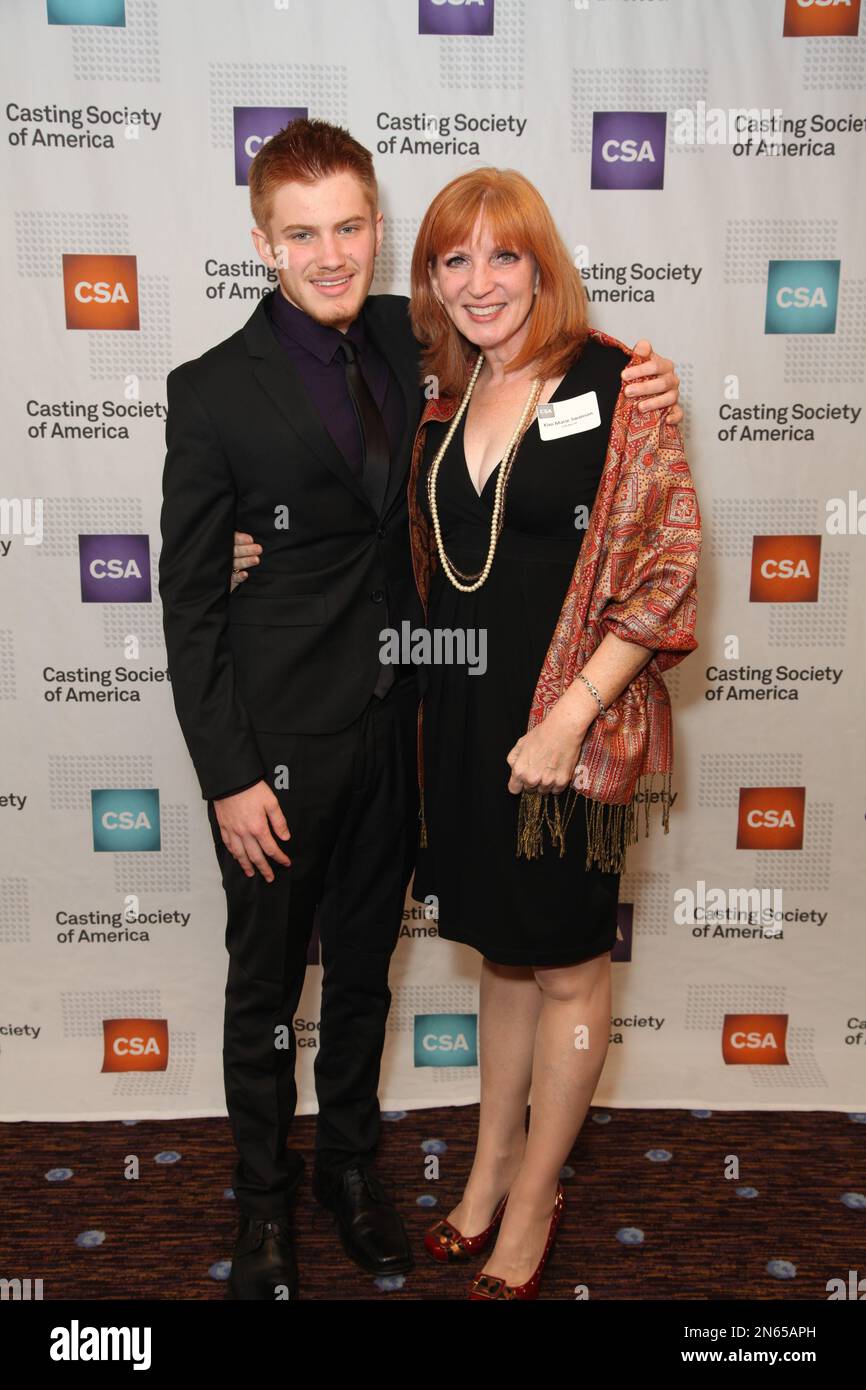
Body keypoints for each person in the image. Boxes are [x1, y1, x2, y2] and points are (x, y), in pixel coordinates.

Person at [162, 118, 682, 1302]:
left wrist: (638, 375)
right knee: (265, 987)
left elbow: (560, 374)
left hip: (418, 724)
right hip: (281, 751)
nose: (330, 253)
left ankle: (350, 1175)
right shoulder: (212, 391)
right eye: (303, 234)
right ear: (263, 243)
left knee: (364, 977)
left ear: (377, 231)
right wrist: (226, 772)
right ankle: (261, 1210)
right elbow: (186, 602)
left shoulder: (424, 346)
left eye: (350, 227)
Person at [398, 167, 701, 1299]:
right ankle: (485, 1174)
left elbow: (667, 571)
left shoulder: (621, 381)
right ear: (430, 278)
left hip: (569, 727)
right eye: (452, 259)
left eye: (503, 256)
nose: (479, 282)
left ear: (541, 264)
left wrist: (568, 719)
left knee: (568, 963)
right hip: (466, 718)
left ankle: (534, 1199)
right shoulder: (443, 390)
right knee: (504, 951)